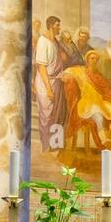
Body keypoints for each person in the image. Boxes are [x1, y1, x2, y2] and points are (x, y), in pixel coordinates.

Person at [63, 49, 111, 149]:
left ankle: (110, 135)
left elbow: (107, 92)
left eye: (96, 59)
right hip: (87, 104)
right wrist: (67, 78)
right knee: (98, 116)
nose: (94, 61)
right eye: (92, 58)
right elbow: (65, 73)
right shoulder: (80, 71)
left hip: (101, 103)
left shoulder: (99, 77)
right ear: (87, 60)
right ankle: (104, 140)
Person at [34, 15, 68, 151]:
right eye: (58, 25)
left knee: (58, 114)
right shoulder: (43, 41)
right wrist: (48, 89)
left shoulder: (56, 42)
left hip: (57, 81)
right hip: (45, 82)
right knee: (46, 116)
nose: (60, 28)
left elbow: (61, 60)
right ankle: (46, 146)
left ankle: (56, 146)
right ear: (51, 25)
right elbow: (42, 68)